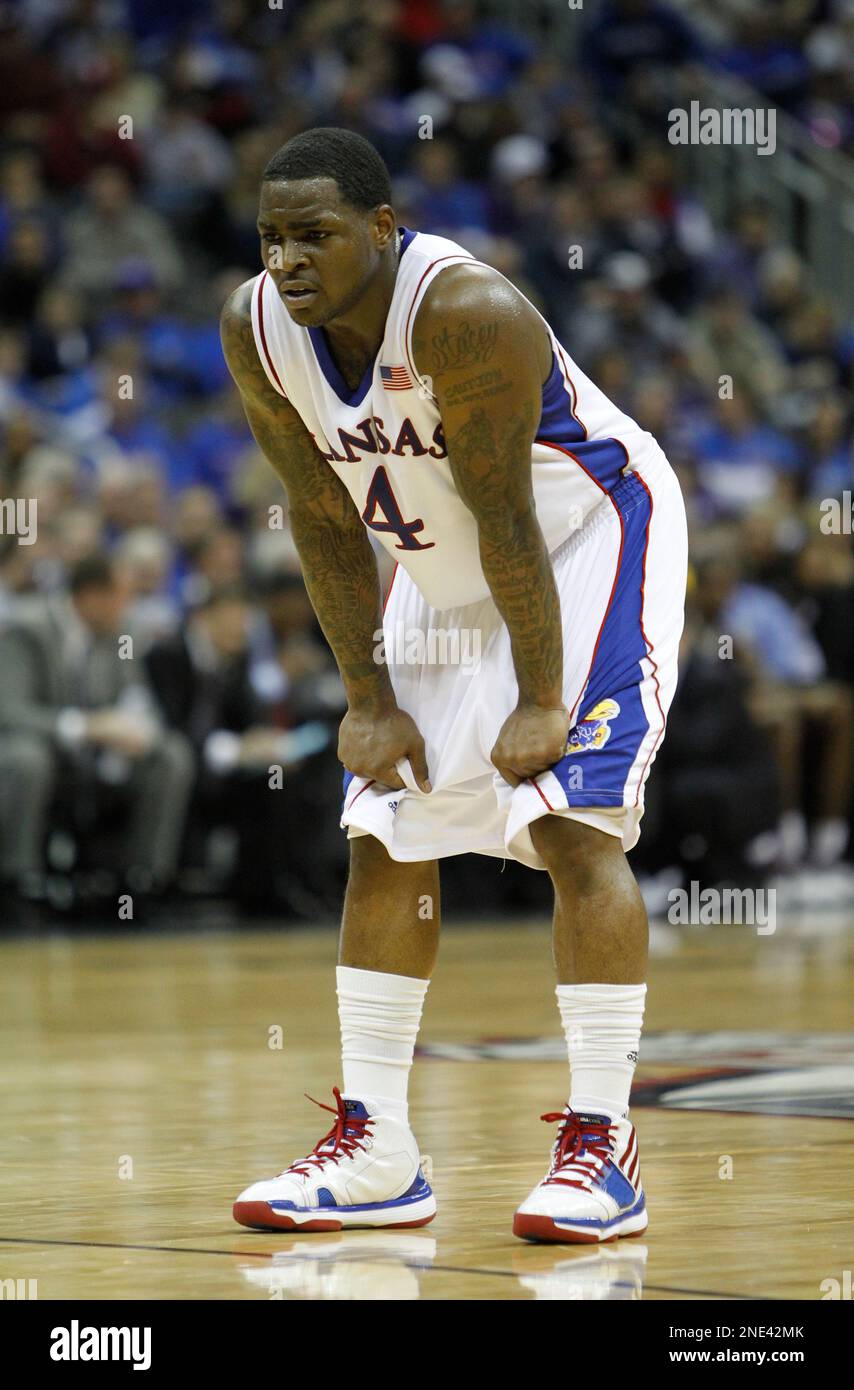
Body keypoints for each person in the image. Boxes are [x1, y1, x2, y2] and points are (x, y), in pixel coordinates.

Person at [221, 127, 688, 1243]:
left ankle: (600, 1144)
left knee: (574, 824)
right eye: (271, 237)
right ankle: (378, 1146)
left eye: (315, 235)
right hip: (438, 562)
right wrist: (367, 698)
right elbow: (325, 520)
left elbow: (512, 519)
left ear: (383, 230)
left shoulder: (462, 311)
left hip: (581, 538)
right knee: (386, 830)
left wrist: (539, 699)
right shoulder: (255, 329)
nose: (287, 260)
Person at [0, 553, 194, 906]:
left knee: (169, 753)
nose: (128, 606)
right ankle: (18, 884)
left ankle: (142, 883)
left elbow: (135, 695)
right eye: (122, 596)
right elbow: (10, 710)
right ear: (91, 596)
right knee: (28, 759)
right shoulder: (28, 629)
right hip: (36, 745)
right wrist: (85, 727)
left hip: (99, 754)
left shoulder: (121, 632)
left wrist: (135, 727)